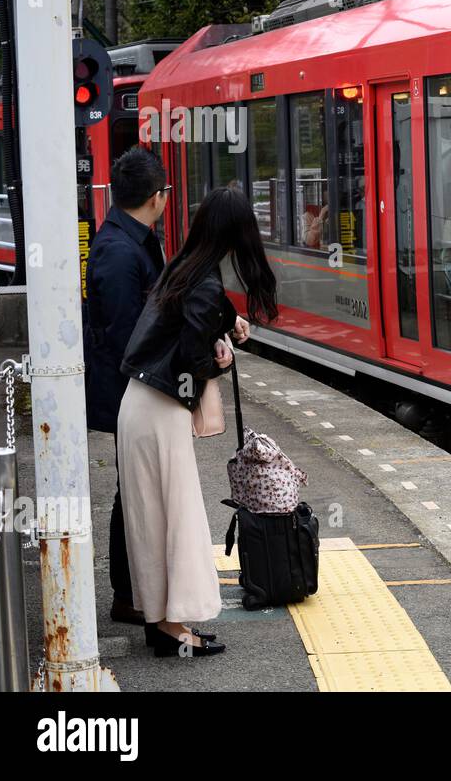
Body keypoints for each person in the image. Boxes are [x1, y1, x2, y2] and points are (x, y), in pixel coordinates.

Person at [118, 186, 278, 657]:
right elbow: (190, 362)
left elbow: (187, 321)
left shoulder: (182, 267)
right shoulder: (205, 283)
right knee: (179, 519)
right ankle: (172, 629)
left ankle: (164, 625)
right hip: (162, 412)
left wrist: (226, 325)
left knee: (152, 521)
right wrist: (221, 361)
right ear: (237, 233)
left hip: (140, 405)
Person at [83, 148, 170, 627]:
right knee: (132, 492)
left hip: (133, 389)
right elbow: (124, 333)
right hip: (127, 392)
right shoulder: (120, 251)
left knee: (135, 489)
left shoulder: (132, 237)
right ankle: (128, 594)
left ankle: (136, 592)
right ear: (157, 197)